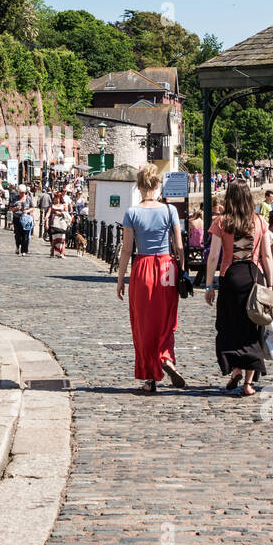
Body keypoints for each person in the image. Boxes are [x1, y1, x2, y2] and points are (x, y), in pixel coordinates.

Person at [116, 164, 186, 395]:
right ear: (158, 185)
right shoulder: (170, 211)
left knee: (144, 325)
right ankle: (166, 357)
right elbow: (178, 245)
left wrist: (120, 278)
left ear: (138, 186)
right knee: (167, 320)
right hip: (167, 268)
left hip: (143, 267)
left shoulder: (132, 213)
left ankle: (149, 378)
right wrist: (182, 270)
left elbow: (127, 249)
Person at [205, 183, 273, 395]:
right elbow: (267, 255)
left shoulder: (221, 222)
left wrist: (209, 284)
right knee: (252, 328)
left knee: (229, 325)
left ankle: (235, 369)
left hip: (230, 276)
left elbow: (214, 256)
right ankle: (248, 383)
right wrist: (270, 284)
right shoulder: (259, 221)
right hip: (253, 277)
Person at [13, 185, 34, 256]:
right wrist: (15, 208)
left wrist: (27, 210)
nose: (22, 194)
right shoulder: (15, 198)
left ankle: (24, 250)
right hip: (17, 217)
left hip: (26, 219)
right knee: (18, 234)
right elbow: (10, 208)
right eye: (21, 192)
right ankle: (17, 246)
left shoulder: (28, 198)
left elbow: (32, 208)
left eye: (23, 192)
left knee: (26, 235)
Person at [48, 191, 70, 258]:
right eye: (55, 198)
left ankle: (62, 253)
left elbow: (67, 214)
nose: (56, 199)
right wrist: (46, 218)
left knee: (62, 238)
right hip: (54, 223)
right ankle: (53, 252)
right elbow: (48, 213)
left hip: (62, 223)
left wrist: (61, 213)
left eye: (58, 198)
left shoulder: (63, 205)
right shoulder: (52, 206)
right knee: (54, 239)